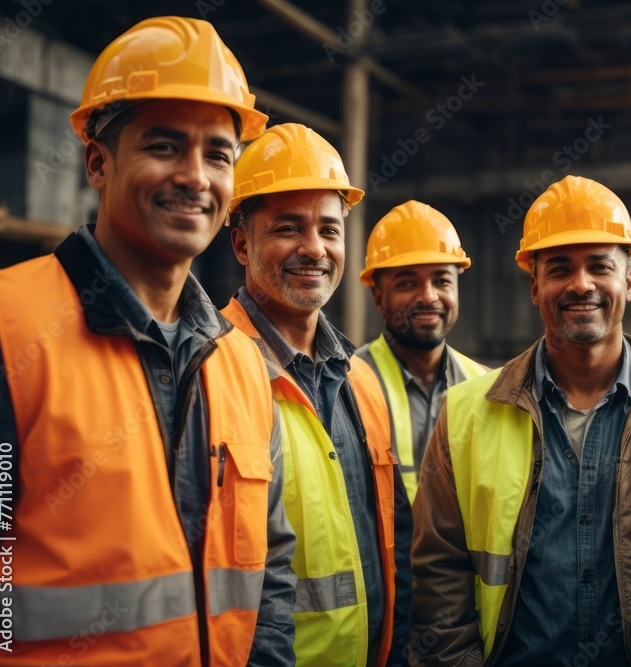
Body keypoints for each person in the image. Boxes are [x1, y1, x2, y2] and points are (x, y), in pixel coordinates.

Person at [0, 16, 295, 666]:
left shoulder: (239, 360)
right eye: (164, 146)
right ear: (98, 161)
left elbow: (271, 577)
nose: (195, 176)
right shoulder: (4, 328)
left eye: (218, 154)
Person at [410, 175, 631, 666]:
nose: (581, 284)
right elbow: (438, 574)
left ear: (628, 280)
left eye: (600, 266)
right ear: (535, 284)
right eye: (560, 268)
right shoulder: (466, 414)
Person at [223, 122, 408, 667]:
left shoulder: (361, 379)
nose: (314, 249)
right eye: (288, 228)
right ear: (241, 243)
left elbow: (391, 542)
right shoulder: (214, 370)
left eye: (329, 230)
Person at [354, 200, 488, 502]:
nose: (428, 297)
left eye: (441, 281)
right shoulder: (346, 385)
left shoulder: (486, 387)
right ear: (378, 297)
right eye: (407, 283)